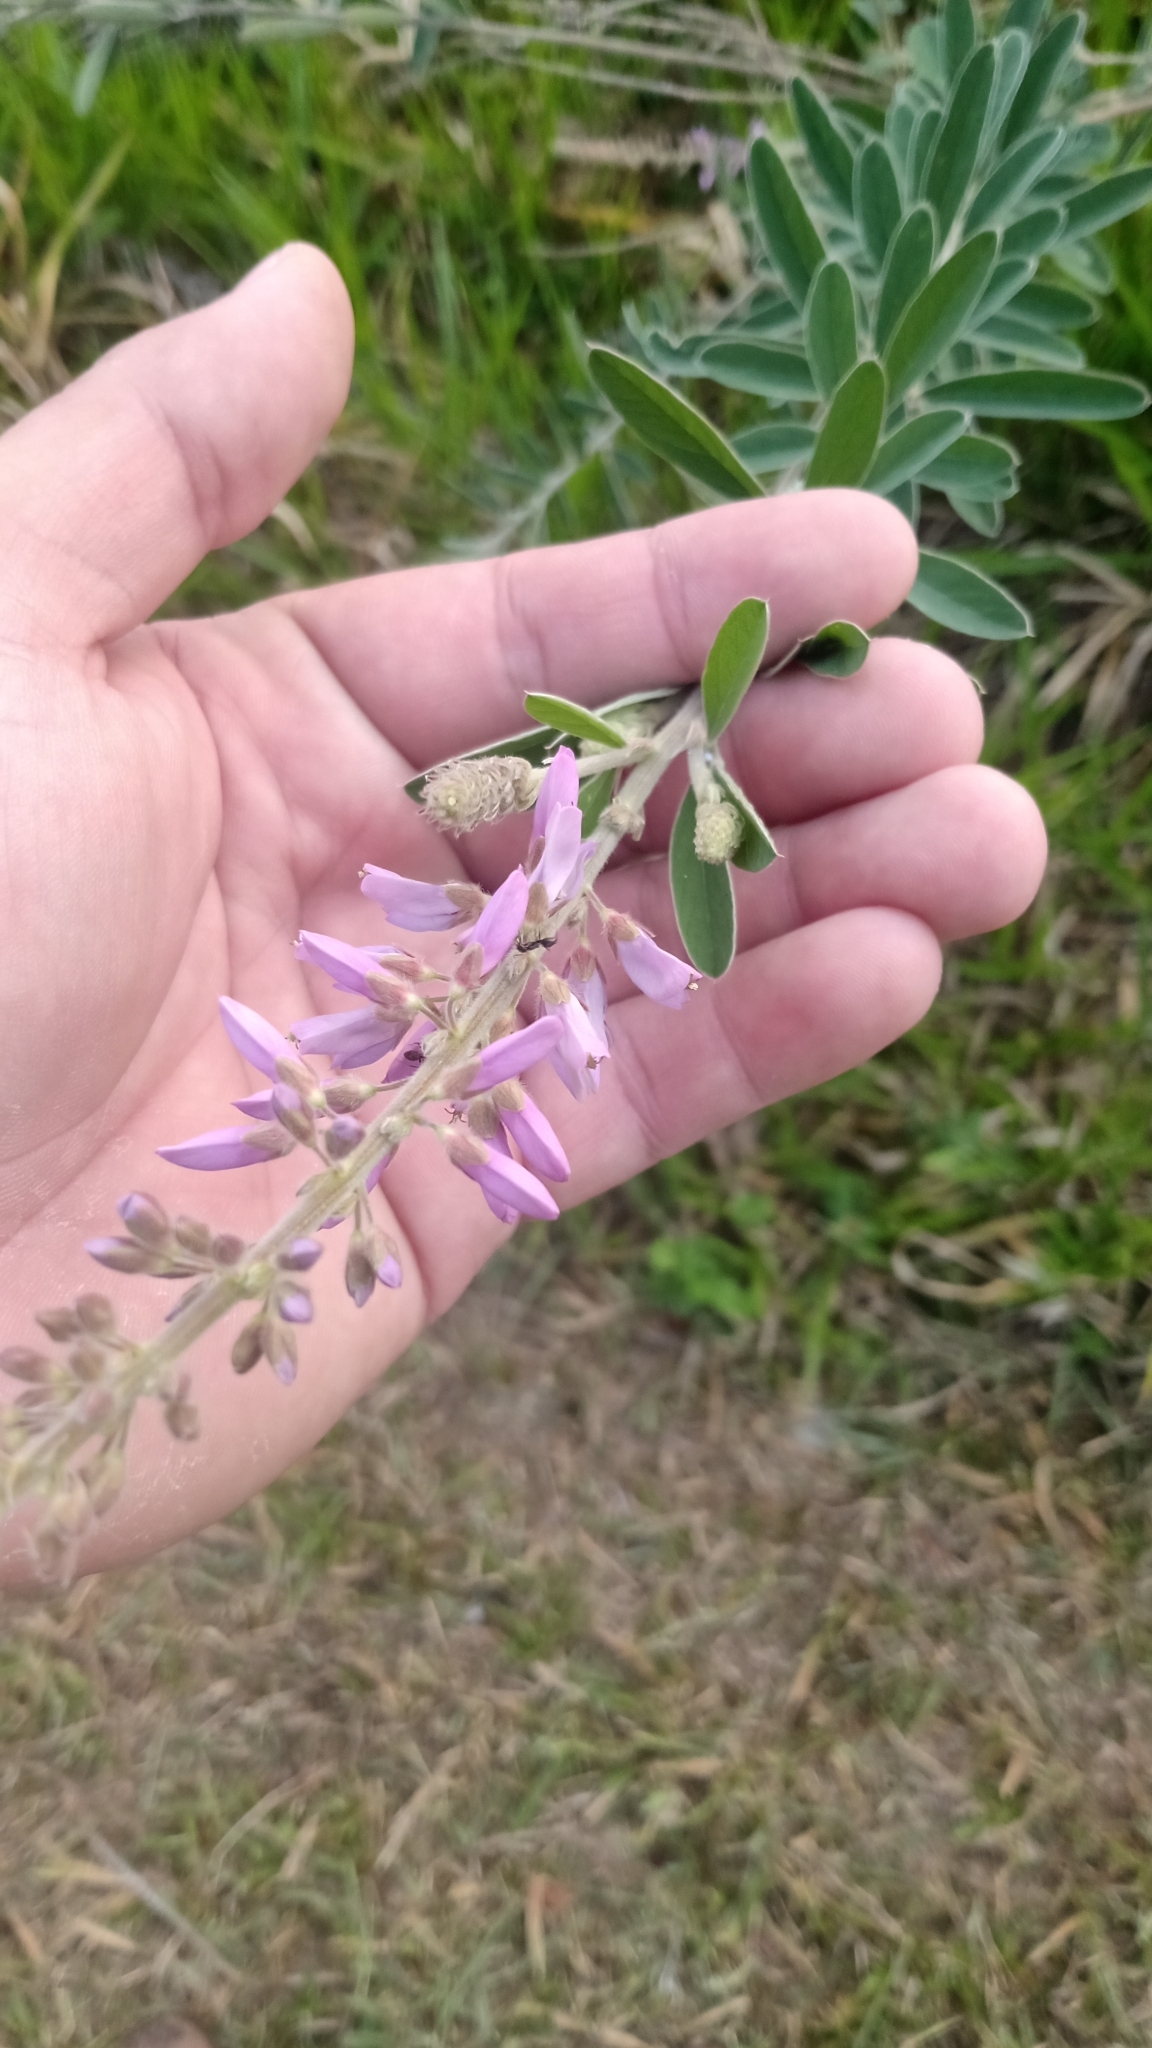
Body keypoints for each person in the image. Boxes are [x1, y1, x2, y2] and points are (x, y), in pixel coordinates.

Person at [0, 244, 1047, 1590]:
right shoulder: (424, 1061)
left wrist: (563, 849)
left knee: (812, 642)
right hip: (515, 942)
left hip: (532, 896)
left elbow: (460, 925)